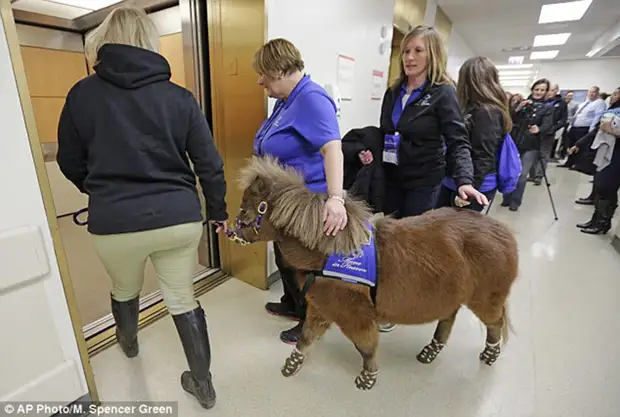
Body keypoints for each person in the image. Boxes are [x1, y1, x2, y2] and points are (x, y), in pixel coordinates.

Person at [56, 6, 227, 409]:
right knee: (182, 296)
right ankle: (203, 383)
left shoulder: (83, 94)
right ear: (149, 41)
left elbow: (68, 159)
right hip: (178, 218)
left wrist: (96, 189)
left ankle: (128, 343)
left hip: (115, 223)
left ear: (104, 41)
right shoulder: (180, 97)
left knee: (124, 288)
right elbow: (210, 164)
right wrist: (216, 211)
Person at [359, 25, 488, 332]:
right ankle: (384, 296)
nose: (410, 57)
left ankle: (400, 303)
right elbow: (387, 133)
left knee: (408, 246)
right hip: (392, 178)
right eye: (406, 50)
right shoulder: (393, 92)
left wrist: (464, 180)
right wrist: (369, 152)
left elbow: (458, 141)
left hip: (422, 181)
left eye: (418, 51)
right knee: (387, 240)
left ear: (432, 55)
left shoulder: (442, 93)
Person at [252, 38, 347, 345]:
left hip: (308, 200)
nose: (259, 80)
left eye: (263, 73)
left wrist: (336, 199)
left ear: (278, 69)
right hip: (285, 199)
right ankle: (293, 305)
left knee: (302, 263)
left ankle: (312, 321)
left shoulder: (311, 99)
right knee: (284, 257)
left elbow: (332, 148)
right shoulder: (286, 100)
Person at [435, 56, 513, 212]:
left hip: (475, 184)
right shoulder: (475, 108)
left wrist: (467, 191)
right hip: (458, 179)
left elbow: (482, 155)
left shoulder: (487, 113)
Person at [571, 87, 620, 234]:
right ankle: (596, 219)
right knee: (600, 186)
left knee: (607, 187)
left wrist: (613, 130)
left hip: (616, 155)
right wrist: (579, 143)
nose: (613, 96)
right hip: (604, 152)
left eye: (616, 94)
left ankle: (603, 223)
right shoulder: (612, 109)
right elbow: (598, 130)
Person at [501, 78, 554, 211]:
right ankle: (506, 198)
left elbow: (548, 125)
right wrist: (518, 108)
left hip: (531, 145)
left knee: (522, 175)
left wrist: (539, 129)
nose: (539, 92)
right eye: (537, 89)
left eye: (542, 90)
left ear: (546, 92)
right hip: (515, 142)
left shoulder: (548, 108)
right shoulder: (522, 103)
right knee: (509, 171)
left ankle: (515, 202)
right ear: (532, 90)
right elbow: (509, 119)